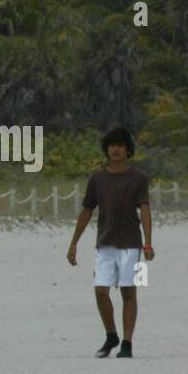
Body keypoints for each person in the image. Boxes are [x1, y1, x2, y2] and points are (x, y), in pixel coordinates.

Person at [66, 126, 153, 358]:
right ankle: (111, 334)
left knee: (128, 291)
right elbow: (87, 210)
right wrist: (74, 242)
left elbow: (145, 210)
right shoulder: (97, 178)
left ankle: (127, 343)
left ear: (128, 150)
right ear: (107, 149)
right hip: (104, 243)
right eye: (112, 145)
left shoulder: (139, 178)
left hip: (132, 244)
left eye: (121, 145)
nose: (116, 150)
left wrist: (148, 242)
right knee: (101, 290)